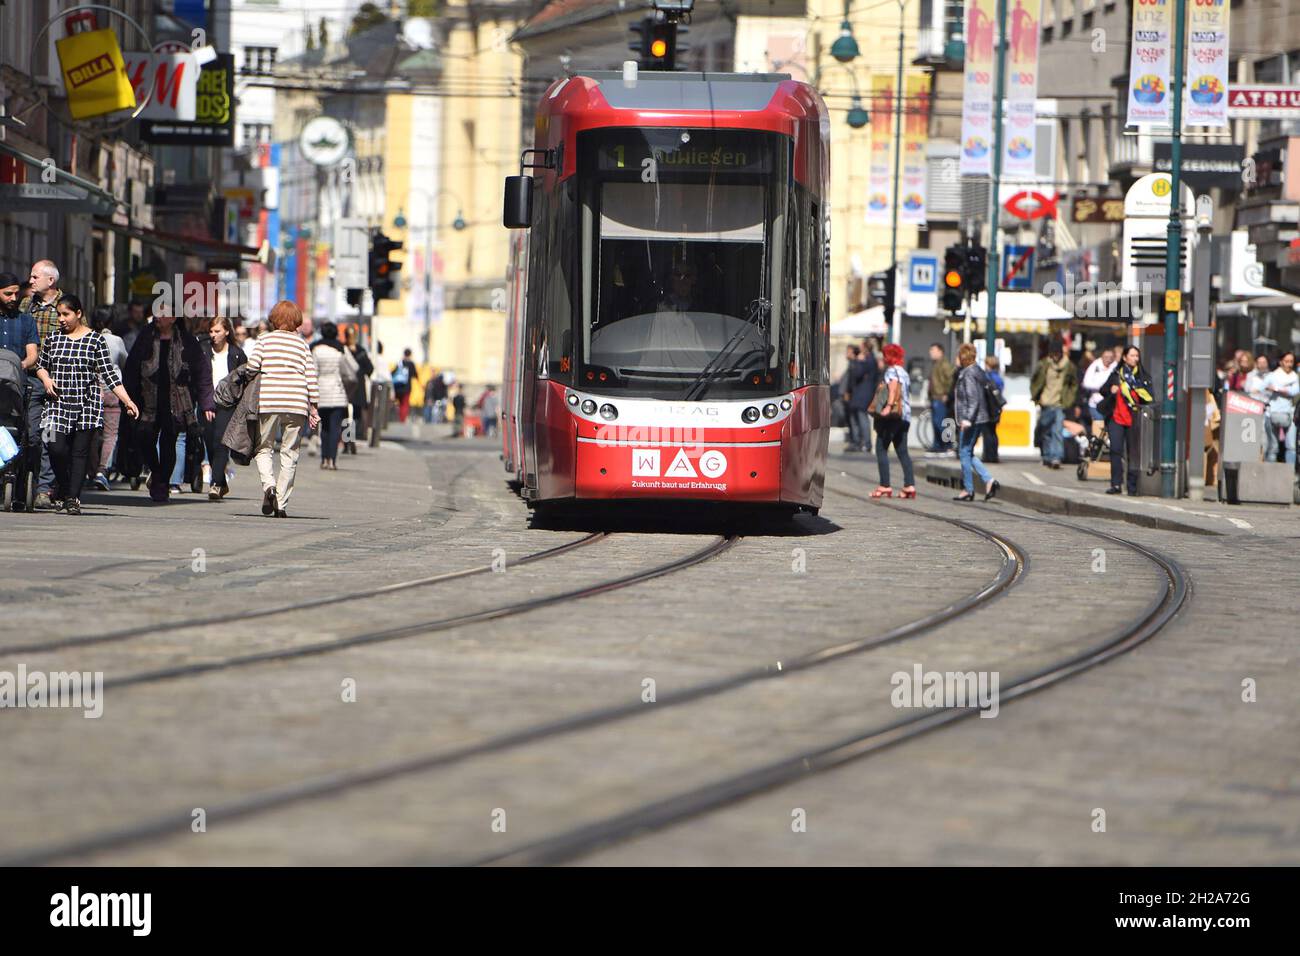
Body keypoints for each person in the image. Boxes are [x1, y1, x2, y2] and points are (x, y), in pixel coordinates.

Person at [33, 295, 139, 514]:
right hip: (57, 404)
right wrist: (46, 379)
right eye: (59, 314)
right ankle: (63, 485)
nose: (61, 319)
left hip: (86, 405)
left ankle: (72, 498)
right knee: (55, 448)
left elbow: (110, 375)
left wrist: (127, 401)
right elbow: (40, 366)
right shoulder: (53, 339)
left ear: (78, 314)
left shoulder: (95, 340)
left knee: (79, 453)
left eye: (66, 314)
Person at [124, 303, 215, 503]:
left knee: (169, 442)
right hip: (147, 399)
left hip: (177, 401)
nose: (158, 317)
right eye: (156, 313)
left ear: (174, 318)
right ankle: (155, 471)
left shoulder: (186, 341)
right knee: (144, 437)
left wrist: (207, 403)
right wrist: (128, 398)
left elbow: (202, 373)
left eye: (163, 314)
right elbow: (132, 367)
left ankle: (163, 482)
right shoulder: (146, 337)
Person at [244, 300, 319, 517]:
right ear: (296, 320)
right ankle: (282, 502)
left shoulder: (265, 340)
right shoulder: (302, 344)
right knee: (290, 453)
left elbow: (252, 367)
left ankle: (269, 487)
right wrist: (313, 407)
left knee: (263, 447)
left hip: (268, 401)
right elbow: (311, 377)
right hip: (296, 402)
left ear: (274, 319)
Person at [21, 259, 63, 509]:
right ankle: (25, 482)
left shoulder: (66, 307)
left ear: (51, 280)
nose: (31, 280)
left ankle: (46, 489)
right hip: (32, 380)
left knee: (53, 437)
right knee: (32, 434)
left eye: (35, 276)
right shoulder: (26, 305)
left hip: (58, 383)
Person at [200, 315, 247, 499]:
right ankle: (221, 482)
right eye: (211, 331)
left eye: (217, 331)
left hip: (227, 405)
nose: (213, 335)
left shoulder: (236, 353)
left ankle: (215, 484)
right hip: (205, 403)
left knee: (221, 442)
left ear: (227, 332)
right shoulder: (204, 350)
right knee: (209, 442)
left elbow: (245, 379)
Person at [1098, 345, 1154, 495]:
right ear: (1124, 357)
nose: (1135, 359)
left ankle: (1132, 486)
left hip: (1135, 419)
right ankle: (1116, 484)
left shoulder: (1142, 376)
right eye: (1132, 355)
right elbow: (1103, 390)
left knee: (1133, 453)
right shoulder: (1116, 374)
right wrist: (1111, 390)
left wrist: (1136, 391)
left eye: (1137, 356)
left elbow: (1149, 396)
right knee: (1116, 450)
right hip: (1116, 417)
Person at [952, 342, 999, 501]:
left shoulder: (968, 374)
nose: (955, 359)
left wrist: (967, 419)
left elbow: (973, 399)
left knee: (964, 452)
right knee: (968, 452)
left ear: (963, 358)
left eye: (958, 356)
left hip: (972, 418)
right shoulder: (977, 371)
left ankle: (968, 489)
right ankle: (989, 481)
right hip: (980, 417)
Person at [89, 305, 128, 491]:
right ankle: (102, 471)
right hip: (112, 391)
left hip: (90, 391)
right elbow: (124, 362)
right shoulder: (116, 341)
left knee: (91, 434)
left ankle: (90, 470)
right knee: (110, 434)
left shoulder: (87, 337)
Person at [871, 343, 916, 499]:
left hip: (893, 417)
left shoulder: (892, 371)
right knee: (902, 451)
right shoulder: (903, 372)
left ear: (888, 356)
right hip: (905, 417)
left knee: (881, 448)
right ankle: (909, 485)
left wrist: (888, 407)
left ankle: (884, 485)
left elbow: (893, 387)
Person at [311, 322, 358, 470]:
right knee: (335, 429)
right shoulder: (340, 350)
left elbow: (313, 372)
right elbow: (352, 370)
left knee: (323, 428)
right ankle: (332, 460)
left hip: (321, 393)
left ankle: (324, 459)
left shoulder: (316, 350)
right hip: (337, 393)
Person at [1030, 335, 1078, 469]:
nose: (1055, 356)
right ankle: (1047, 456)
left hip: (1059, 404)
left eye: (1057, 353)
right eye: (1053, 354)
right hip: (1045, 402)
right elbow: (1035, 381)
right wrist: (1036, 396)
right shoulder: (1044, 364)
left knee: (1057, 430)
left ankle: (1056, 457)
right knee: (1045, 431)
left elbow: (1074, 384)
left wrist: (1069, 400)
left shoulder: (1069, 366)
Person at [1262, 351, 1298, 463]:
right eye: (1287, 361)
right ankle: (1270, 476)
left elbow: (1294, 391)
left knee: (1291, 447)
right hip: (1272, 414)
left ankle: (1289, 475)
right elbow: (1260, 389)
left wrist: (1277, 389)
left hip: (1290, 415)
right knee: (1273, 447)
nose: (1289, 364)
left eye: (1291, 361)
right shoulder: (1272, 376)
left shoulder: (1295, 376)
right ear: (1281, 362)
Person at [342, 326, 373, 452]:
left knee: (355, 416)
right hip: (346, 387)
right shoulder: (343, 349)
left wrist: (360, 372)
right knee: (345, 416)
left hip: (357, 389)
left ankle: (352, 440)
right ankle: (346, 442)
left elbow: (370, 368)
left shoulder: (361, 351)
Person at [853, 339, 879, 454]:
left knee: (862, 417)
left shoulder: (867, 360)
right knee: (862, 417)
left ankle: (866, 443)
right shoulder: (872, 359)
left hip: (863, 393)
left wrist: (859, 362)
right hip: (866, 392)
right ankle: (865, 442)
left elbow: (858, 373)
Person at [927, 343, 954, 453]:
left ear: (940, 352)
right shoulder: (936, 364)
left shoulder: (945, 364)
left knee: (941, 422)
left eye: (933, 350)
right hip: (934, 397)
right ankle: (937, 445)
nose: (931, 353)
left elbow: (950, 380)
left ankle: (948, 445)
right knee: (935, 422)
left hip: (941, 397)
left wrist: (946, 394)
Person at [1081, 348, 1117, 429]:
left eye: (1110, 357)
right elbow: (1086, 383)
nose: (1108, 359)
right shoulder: (1095, 365)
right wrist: (1102, 386)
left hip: (1111, 405)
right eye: (1106, 357)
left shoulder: (1115, 367)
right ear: (1102, 357)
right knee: (1099, 426)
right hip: (1096, 403)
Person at [981, 354, 1004, 464]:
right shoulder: (998, 378)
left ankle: (988, 455)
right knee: (993, 432)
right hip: (996, 408)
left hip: (987, 408)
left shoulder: (987, 377)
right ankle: (994, 455)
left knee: (987, 433)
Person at [840, 344, 863, 450]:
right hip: (849, 395)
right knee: (851, 419)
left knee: (854, 420)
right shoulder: (851, 364)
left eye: (848, 351)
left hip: (851, 396)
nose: (846, 353)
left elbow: (851, 382)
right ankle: (855, 440)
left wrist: (847, 392)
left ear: (853, 352)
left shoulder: (855, 364)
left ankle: (856, 441)